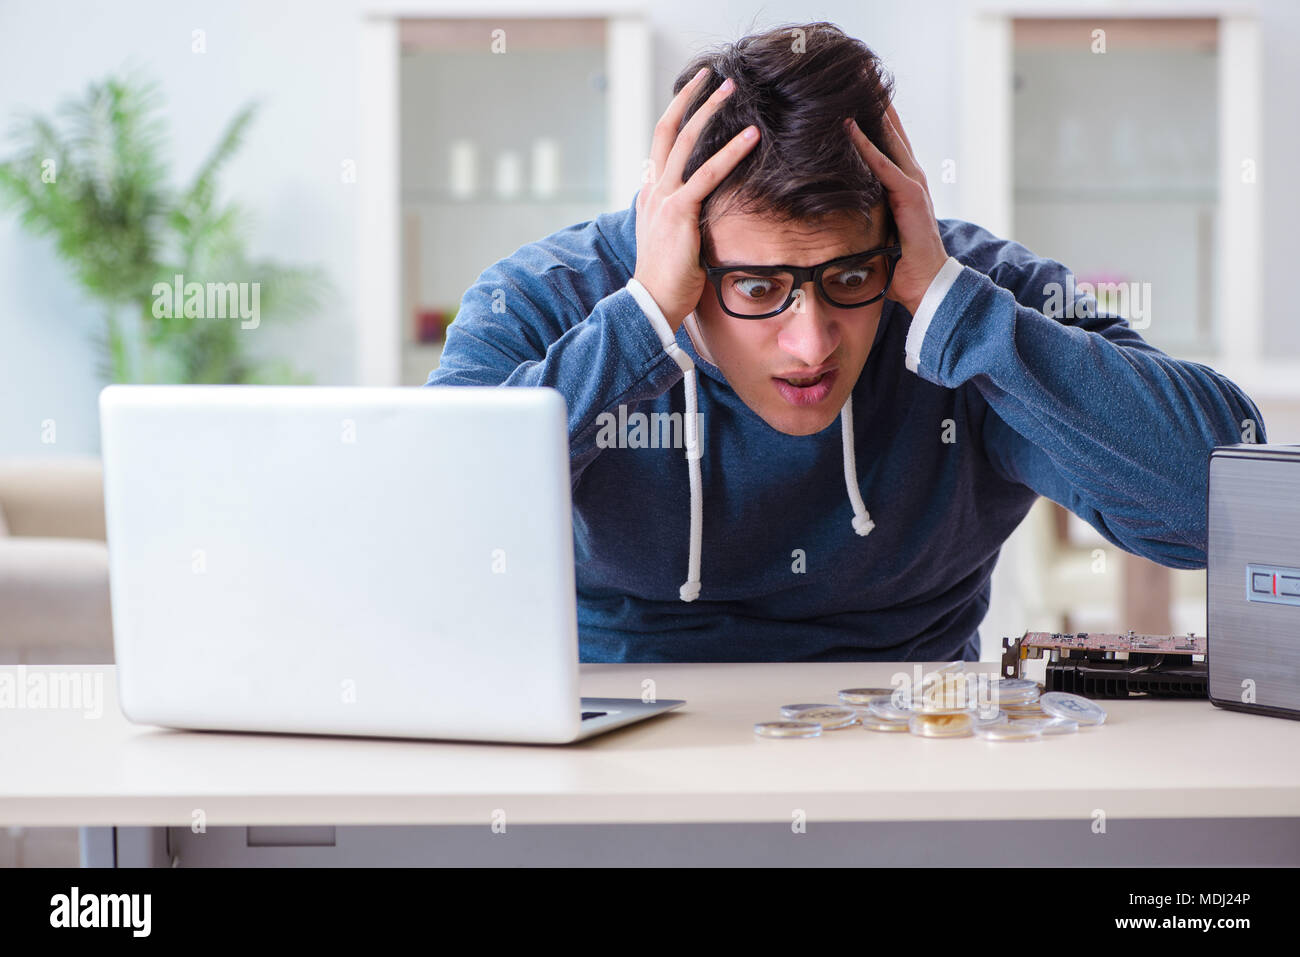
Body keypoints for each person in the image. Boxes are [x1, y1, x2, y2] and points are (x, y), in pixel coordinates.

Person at [426, 21, 1266, 662]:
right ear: (682, 249)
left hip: (906, 751)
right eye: (757, 289)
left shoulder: (962, 295)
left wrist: (956, 311)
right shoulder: (556, 295)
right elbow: (433, 527)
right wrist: (643, 316)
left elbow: (1222, 515)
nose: (810, 344)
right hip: (617, 754)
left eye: (850, 280)